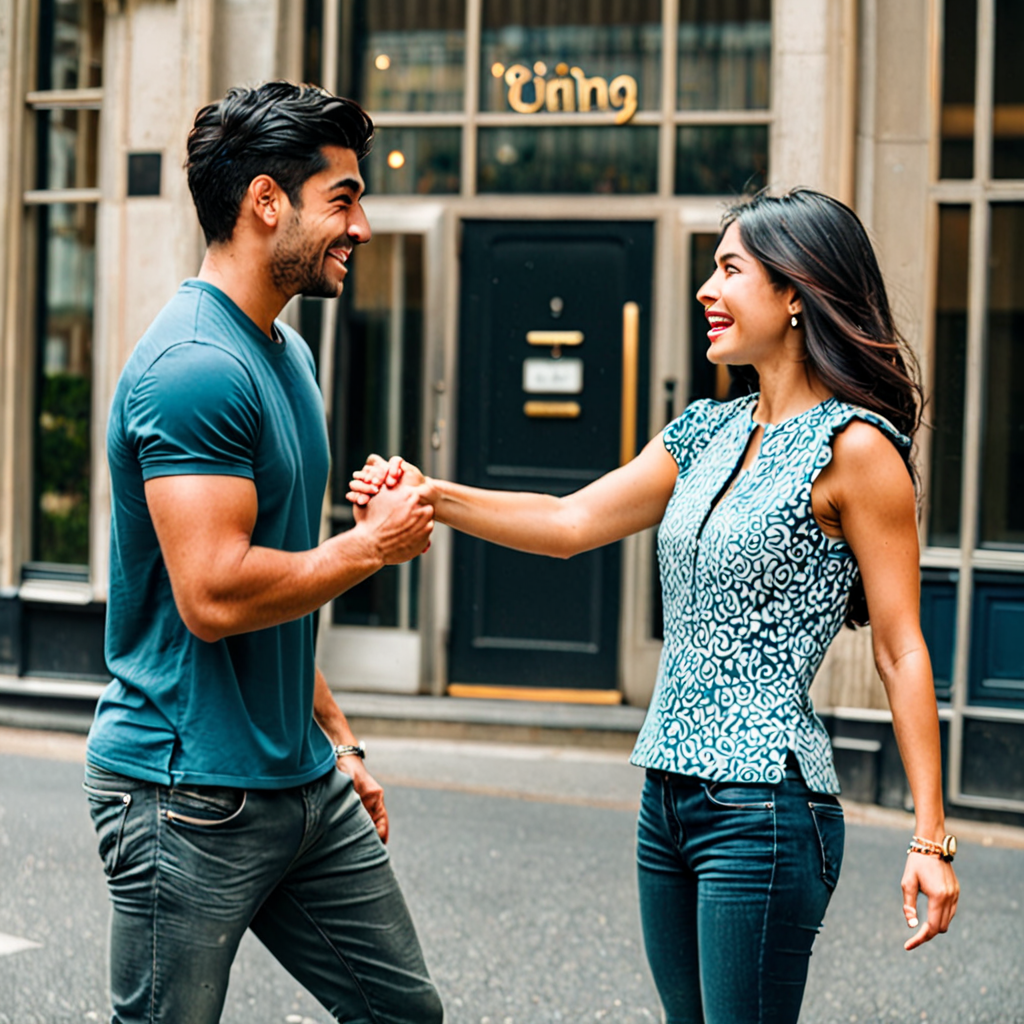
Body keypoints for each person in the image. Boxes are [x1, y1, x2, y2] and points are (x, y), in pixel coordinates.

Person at [350, 188, 960, 1024]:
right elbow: (570, 522)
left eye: (730, 270)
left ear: (795, 295)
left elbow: (901, 649)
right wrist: (430, 493)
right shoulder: (704, 431)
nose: (707, 289)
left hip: (763, 804)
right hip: (667, 793)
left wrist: (930, 836)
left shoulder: (856, 449)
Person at [83, 82, 442, 1024]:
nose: (361, 224)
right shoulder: (195, 364)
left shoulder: (287, 354)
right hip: (185, 794)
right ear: (266, 203)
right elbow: (215, 594)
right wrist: (370, 547)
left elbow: (282, 585)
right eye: (344, 197)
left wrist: (337, 736)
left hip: (300, 786)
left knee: (406, 1013)